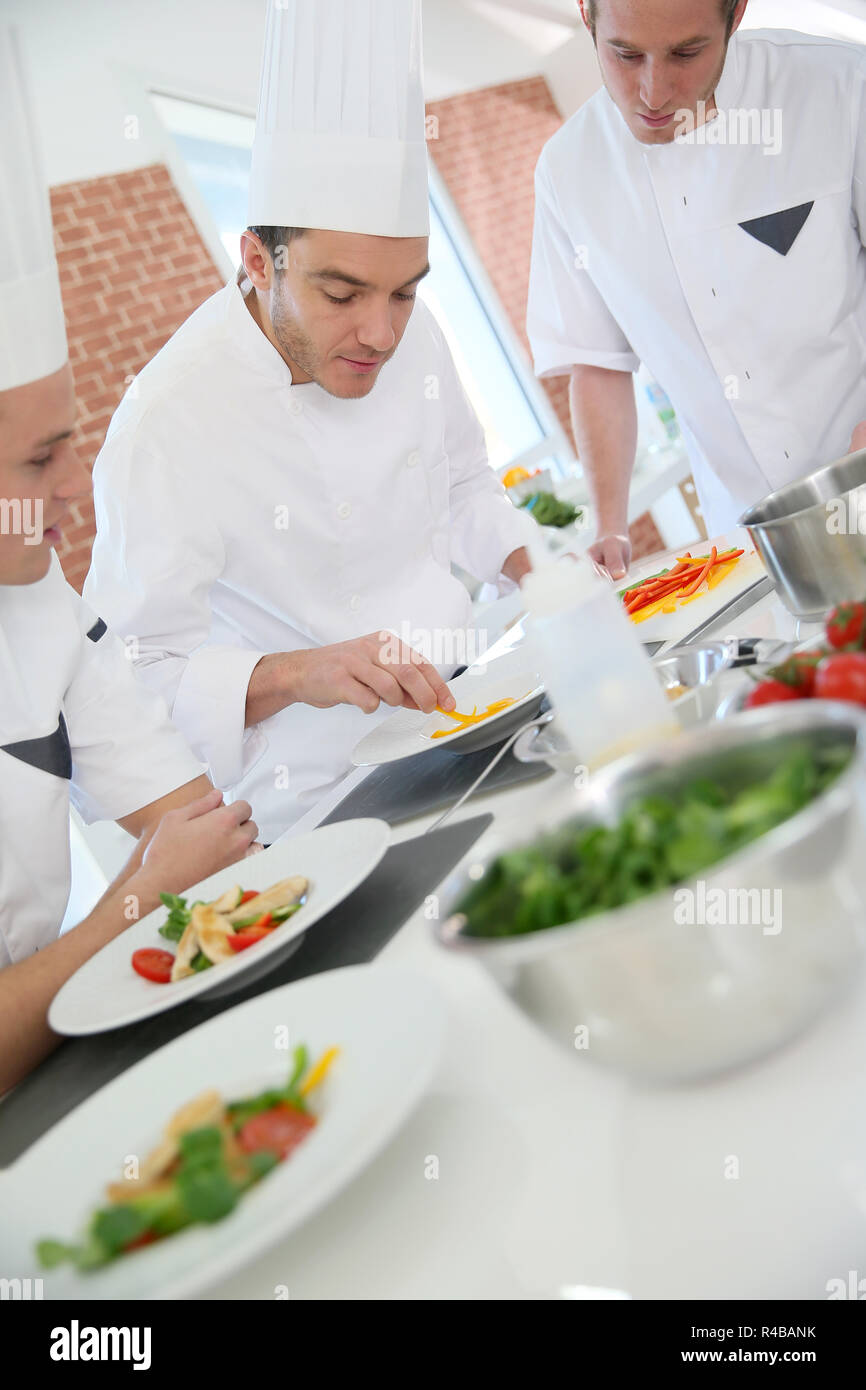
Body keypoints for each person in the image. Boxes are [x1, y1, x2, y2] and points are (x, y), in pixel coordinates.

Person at [83, 0, 535, 843]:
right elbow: (128, 691)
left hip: (472, 707)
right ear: (258, 260)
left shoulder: (413, 331)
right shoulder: (168, 425)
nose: (383, 333)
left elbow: (467, 486)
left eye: (405, 291)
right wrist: (298, 673)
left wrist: (543, 572)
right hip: (325, 806)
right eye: (341, 294)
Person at [0, 27, 259, 1092]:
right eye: (39, 457)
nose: (76, 485)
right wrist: (138, 903)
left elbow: (189, 824)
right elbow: (163, 878)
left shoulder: (36, 593)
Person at [527, 0, 866, 579]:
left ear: (735, 16)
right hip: (749, 540)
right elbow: (599, 362)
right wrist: (610, 524)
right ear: (588, 17)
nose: (654, 92)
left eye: (686, 53)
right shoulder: (568, 171)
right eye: (624, 54)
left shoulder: (840, 87)